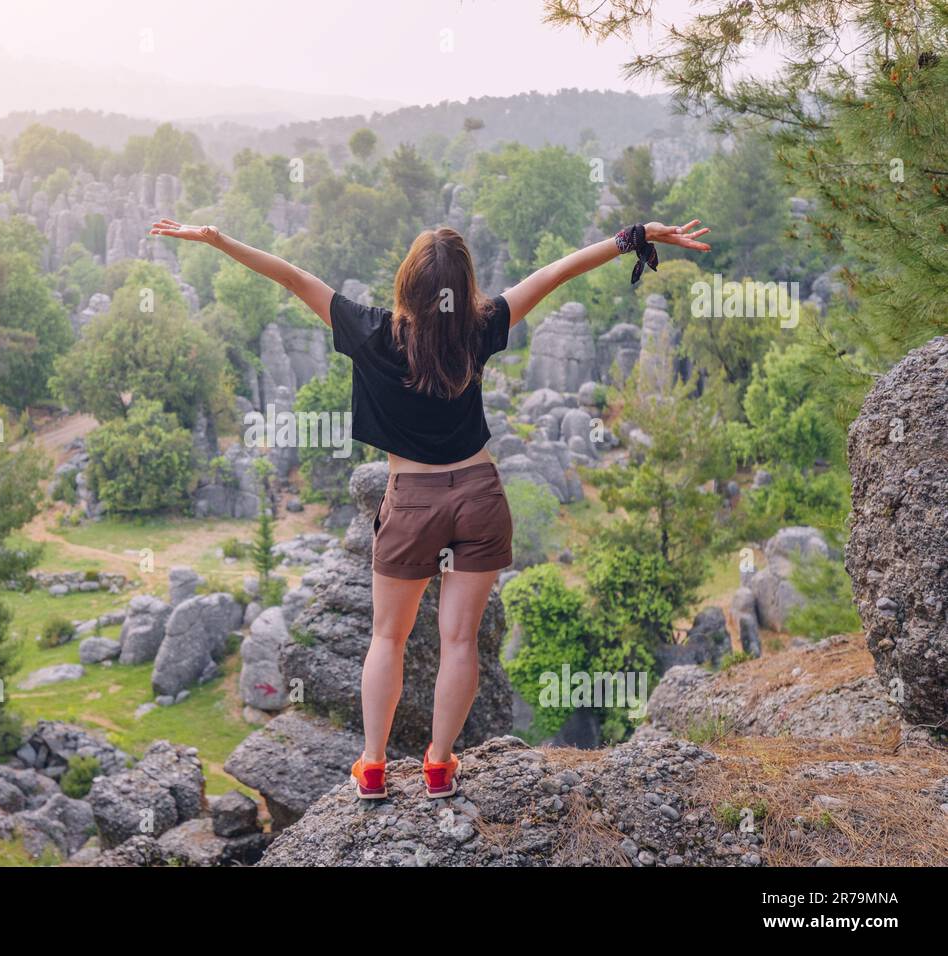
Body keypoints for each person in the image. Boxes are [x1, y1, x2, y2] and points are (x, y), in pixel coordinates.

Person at [149, 215, 710, 799]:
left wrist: (217, 238)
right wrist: (633, 238)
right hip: (479, 494)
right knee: (459, 641)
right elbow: (554, 272)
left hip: (412, 502)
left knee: (388, 639)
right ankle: (439, 765)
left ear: (406, 283)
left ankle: (372, 766)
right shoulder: (481, 325)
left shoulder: (370, 331)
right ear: (463, 284)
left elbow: (291, 278)